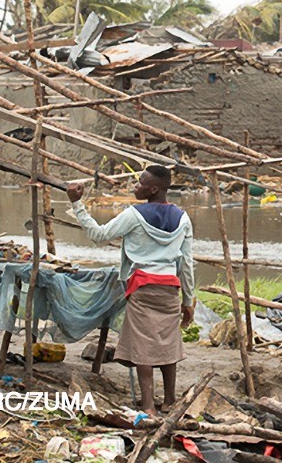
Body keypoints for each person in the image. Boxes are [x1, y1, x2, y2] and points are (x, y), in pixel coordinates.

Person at [67, 166, 194, 416]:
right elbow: (186, 263)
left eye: (141, 182)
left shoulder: (134, 215)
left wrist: (77, 204)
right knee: (167, 343)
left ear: (154, 188)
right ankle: (169, 400)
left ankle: (148, 405)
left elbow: (98, 235)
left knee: (143, 347)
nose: (135, 186)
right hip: (169, 289)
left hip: (142, 287)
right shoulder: (183, 218)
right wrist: (188, 301)